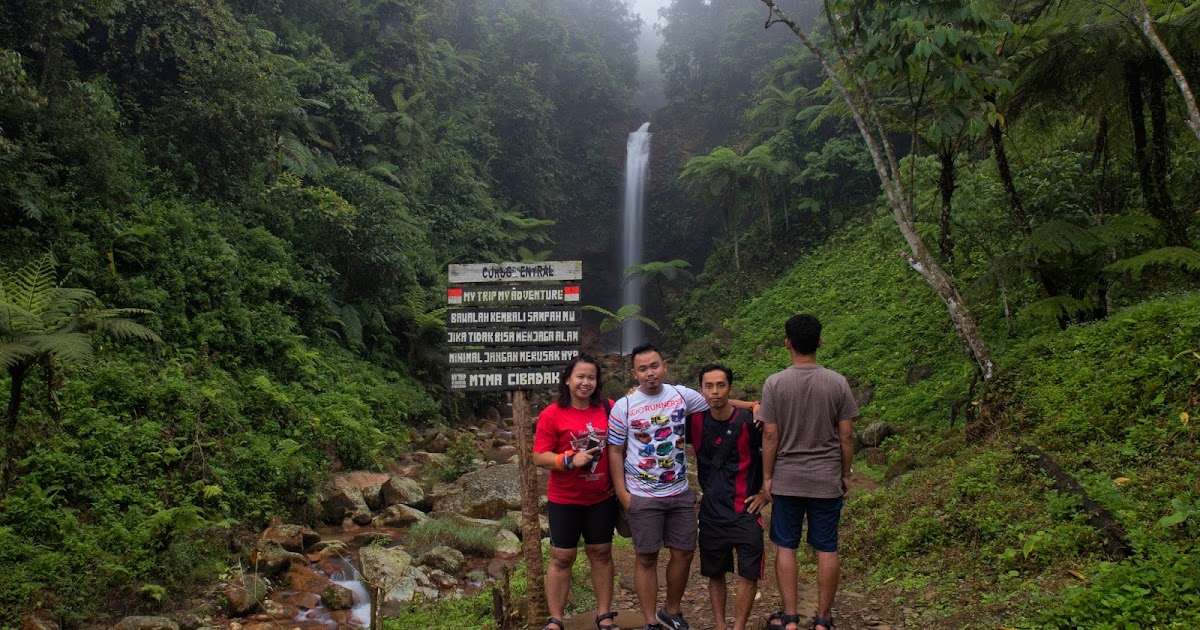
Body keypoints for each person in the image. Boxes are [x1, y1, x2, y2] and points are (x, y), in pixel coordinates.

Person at [607, 343, 759, 630]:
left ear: (664, 365)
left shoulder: (681, 395)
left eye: (654, 366)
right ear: (633, 373)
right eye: (642, 369)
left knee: (684, 552)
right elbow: (614, 450)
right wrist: (623, 494)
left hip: (679, 492)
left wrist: (752, 406)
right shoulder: (624, 407)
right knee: (646, 556)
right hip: (641, 493)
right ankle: (651, 619)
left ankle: (672, 610)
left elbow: (719, 403)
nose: (649, 373)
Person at [761, 315, 859, 630]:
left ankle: (789, 617)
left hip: (787, 479)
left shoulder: (774, 383)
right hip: (827, 478)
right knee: (827, 546)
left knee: (786, 545)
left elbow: (771, 437)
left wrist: (767, 477)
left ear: (787, 342)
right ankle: (823, 620)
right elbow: (846, 436)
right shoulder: (837, 382)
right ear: (819, 342)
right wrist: (845, 473)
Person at [533, 354, 620, 630]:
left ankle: (604, 615)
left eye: (591, 377)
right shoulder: (552, 414)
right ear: (568, 379)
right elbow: (539, 456)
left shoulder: (610, 408)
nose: (586, 382)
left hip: (601, 498)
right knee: (562, 557)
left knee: (601, 552)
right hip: (564, 499)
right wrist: (567, 460)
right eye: (580, 376)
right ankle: (555, 619)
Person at [686, 364, 769, 630]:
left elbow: (775, 448)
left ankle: (739, 626)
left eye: (721, 385)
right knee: (715, 571)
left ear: (729, 388)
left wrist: (766, 493)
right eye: (708, 386)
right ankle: (721, 625)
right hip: (711, 511)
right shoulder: (695, 422)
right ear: (700, 390)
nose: (715, 391)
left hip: (746, 509)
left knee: (749, 572)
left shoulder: (751, 422)